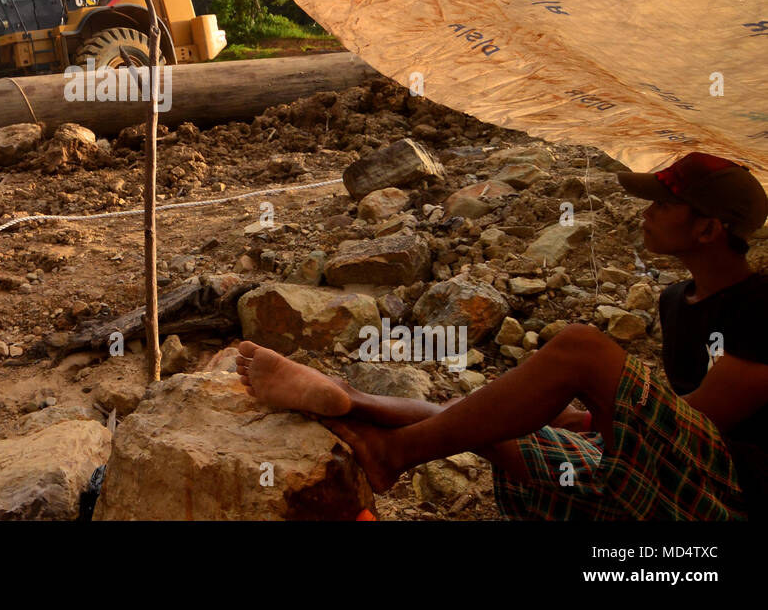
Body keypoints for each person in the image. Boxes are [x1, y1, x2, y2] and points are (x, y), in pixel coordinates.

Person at [236, 151, 768, 519]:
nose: (646, 214)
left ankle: (396, 453)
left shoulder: (761, 304)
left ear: (708, 229)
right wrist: (566, 414)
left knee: (580, 349)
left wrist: (589, 411)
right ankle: (351, 400)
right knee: (491, 420)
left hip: (725, 494)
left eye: (663, 205)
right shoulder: (677, 300)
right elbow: (664, 422)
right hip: (668, 472)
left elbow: (703, 429)